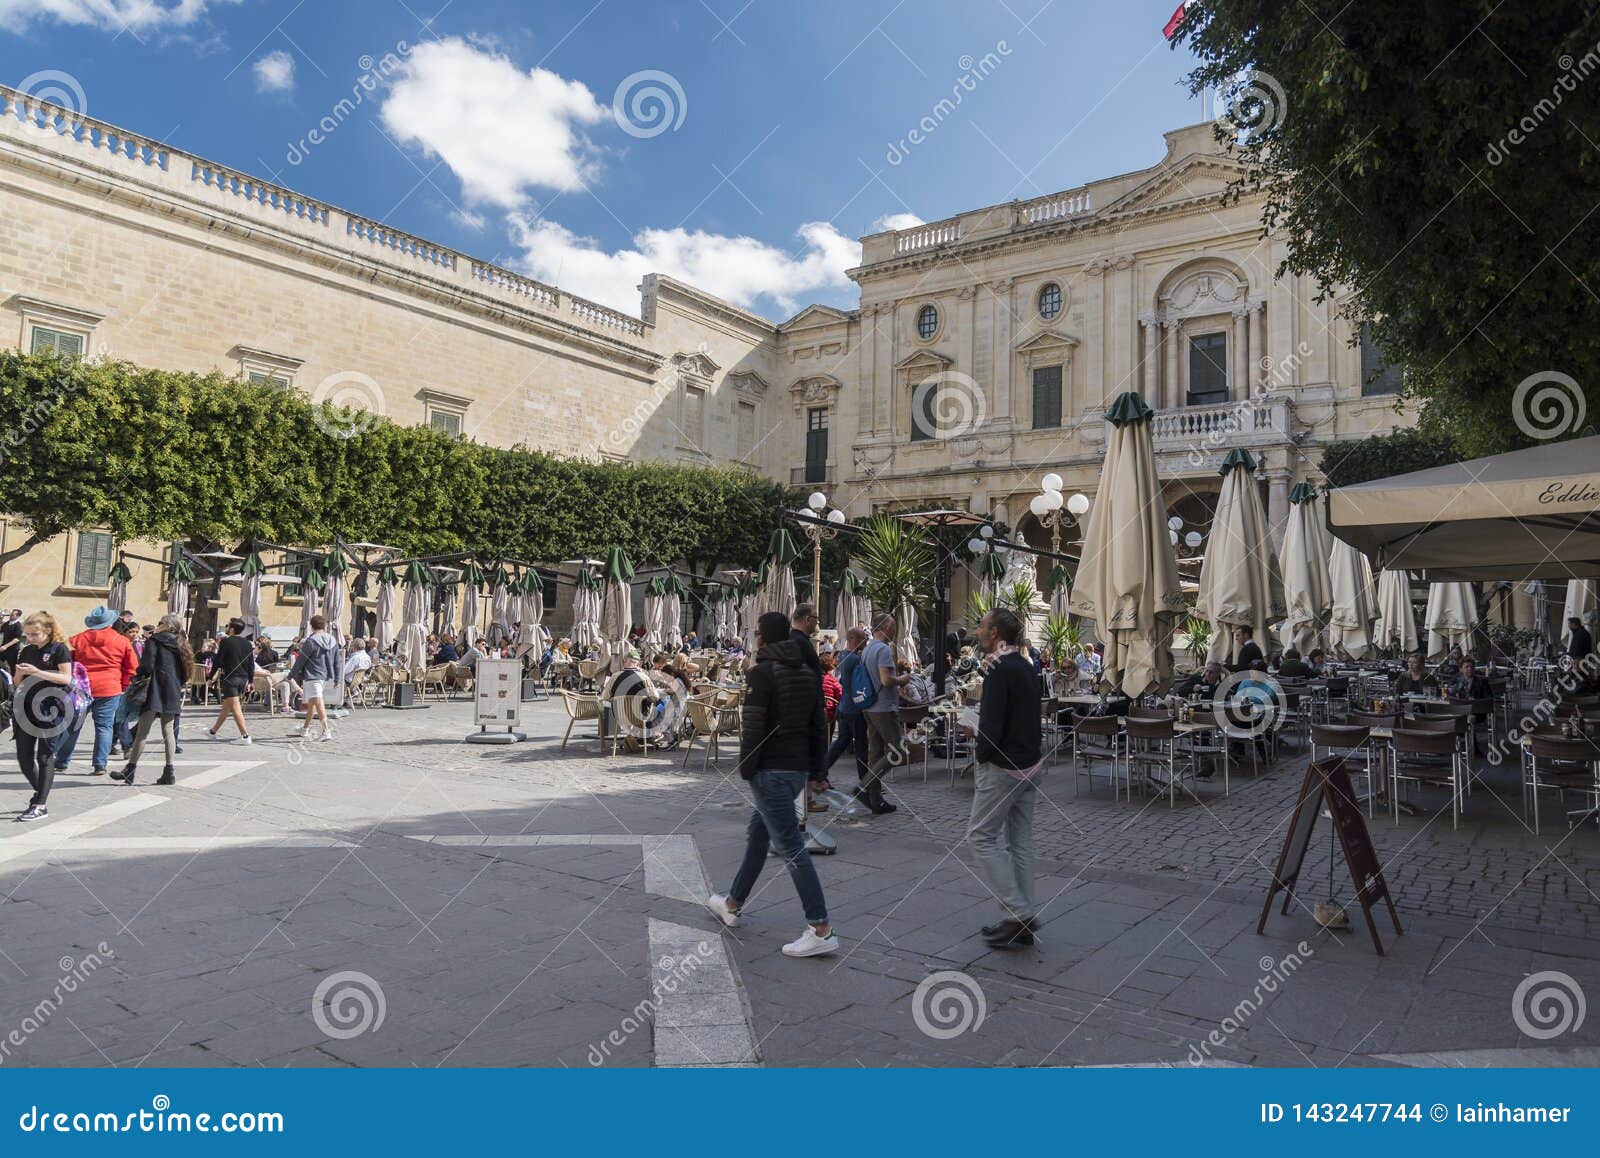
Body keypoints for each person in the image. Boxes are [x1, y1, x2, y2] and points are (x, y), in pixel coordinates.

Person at [705, 611, 836, 958]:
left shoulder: (762, 673)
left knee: (791, 847)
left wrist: (747, 769)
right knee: (759, 835)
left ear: (762, 638)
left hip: (770, 770)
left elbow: (753, 726)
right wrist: (818, 771)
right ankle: (732, 903)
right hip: (795, 772)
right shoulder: (809, 674)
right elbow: (818, 728)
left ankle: (820, 927)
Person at [965, 608, 1045, 948]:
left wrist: (979, 746)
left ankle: (1017, 913)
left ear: (995, 632)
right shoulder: (1026, 666)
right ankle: (1022, 917)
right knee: (1020, 844)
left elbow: (993, 725)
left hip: (1003, 767)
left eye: (983, 626)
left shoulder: (998, 668)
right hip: (1030, 763)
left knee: (980, 837)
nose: (978, 630)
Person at [56, 605, 139, 777]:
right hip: (110, 688)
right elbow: (132, 668)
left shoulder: (77, 639)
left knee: (73, 726)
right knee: (104, 727)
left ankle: (62, 762)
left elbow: (67, 664)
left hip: (81, 688)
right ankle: (100, 764)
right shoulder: (121, 641)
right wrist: (122, 686)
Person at [113, 614, 193, 787]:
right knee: (168, 730)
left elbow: (147, 665)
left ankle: (130, 770)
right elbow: (187, 669)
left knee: (143, 730)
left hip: (155, 687)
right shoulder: (181, 642)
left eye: (159, 623)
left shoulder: (154, 641)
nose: (157, 626)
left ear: (166, 625)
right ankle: (169, 772)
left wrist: (138, 676)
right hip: (173, 688)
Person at [12, 611, 74, 821]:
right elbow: (18, 683)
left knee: (45, 756)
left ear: (47, 630)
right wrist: (20, 673)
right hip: (27, 706)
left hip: (52, 708)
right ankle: (40, 793)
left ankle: (40, 805)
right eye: (27, 635)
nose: (30, 638)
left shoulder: (60, 649)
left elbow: (66, 678)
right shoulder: (27, 651)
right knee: (24, 757)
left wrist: (37, 671)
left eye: (34, 634)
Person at [859, 613, 906, 816]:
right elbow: (886, 680)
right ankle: (865, 786)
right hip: (884, 708)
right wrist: (902, 679)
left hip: (869, 706)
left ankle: (875, 800)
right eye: (893, 626)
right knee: (897, 751)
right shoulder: (884, 649)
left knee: (876, 753)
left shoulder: (868, 648)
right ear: (885, 627)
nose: (895, 630)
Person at [824, 626, 871, 791]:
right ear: (854, 640)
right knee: (861, 746)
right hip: (855, 709)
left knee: (842, 742)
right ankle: (865, 782)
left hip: (844, 707)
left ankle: (820, 773)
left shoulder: (844, 655)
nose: (866, 642)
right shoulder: (856, 659)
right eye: (863, 639)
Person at [205, 618, 256, 744]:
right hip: (243, 679)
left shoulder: (226, 642)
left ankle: (245, 736)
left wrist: (210, 677)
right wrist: (250, 681)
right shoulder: (248, 643)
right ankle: (213, 732)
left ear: (232, 629)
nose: (226, 627)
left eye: (228, 626)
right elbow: (251, 664)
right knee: (226, 708)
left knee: (235, 708)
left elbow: (217, 661)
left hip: (230, 679)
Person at [291, 614, 340, 742]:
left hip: (313, 675)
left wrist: (291, 675)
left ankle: (326, 731)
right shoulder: (333, 640)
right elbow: (337, 661)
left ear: (311, 627)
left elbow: (301, 660)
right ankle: (305, 729)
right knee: (313, 703)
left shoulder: (311, 641)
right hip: (325, 675)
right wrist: (337, 678)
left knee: (318, 702)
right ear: (324, 625)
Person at [789, 602, 821, 674]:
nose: (818, 621)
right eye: (816, 618)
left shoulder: (791, 638)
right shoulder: (801, 643)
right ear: (808, 619)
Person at [0, 608, 23, 674]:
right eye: (10, 614)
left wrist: (5, 646)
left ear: (18, 616)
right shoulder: (7, 623)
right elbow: (1, 630)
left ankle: (14, 681)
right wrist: (1, 619)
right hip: (3, 648)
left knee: (12, 666)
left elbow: (17, 639)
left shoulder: (18, 626)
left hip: (12, 650)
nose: (10, 616)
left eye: (12, 615)